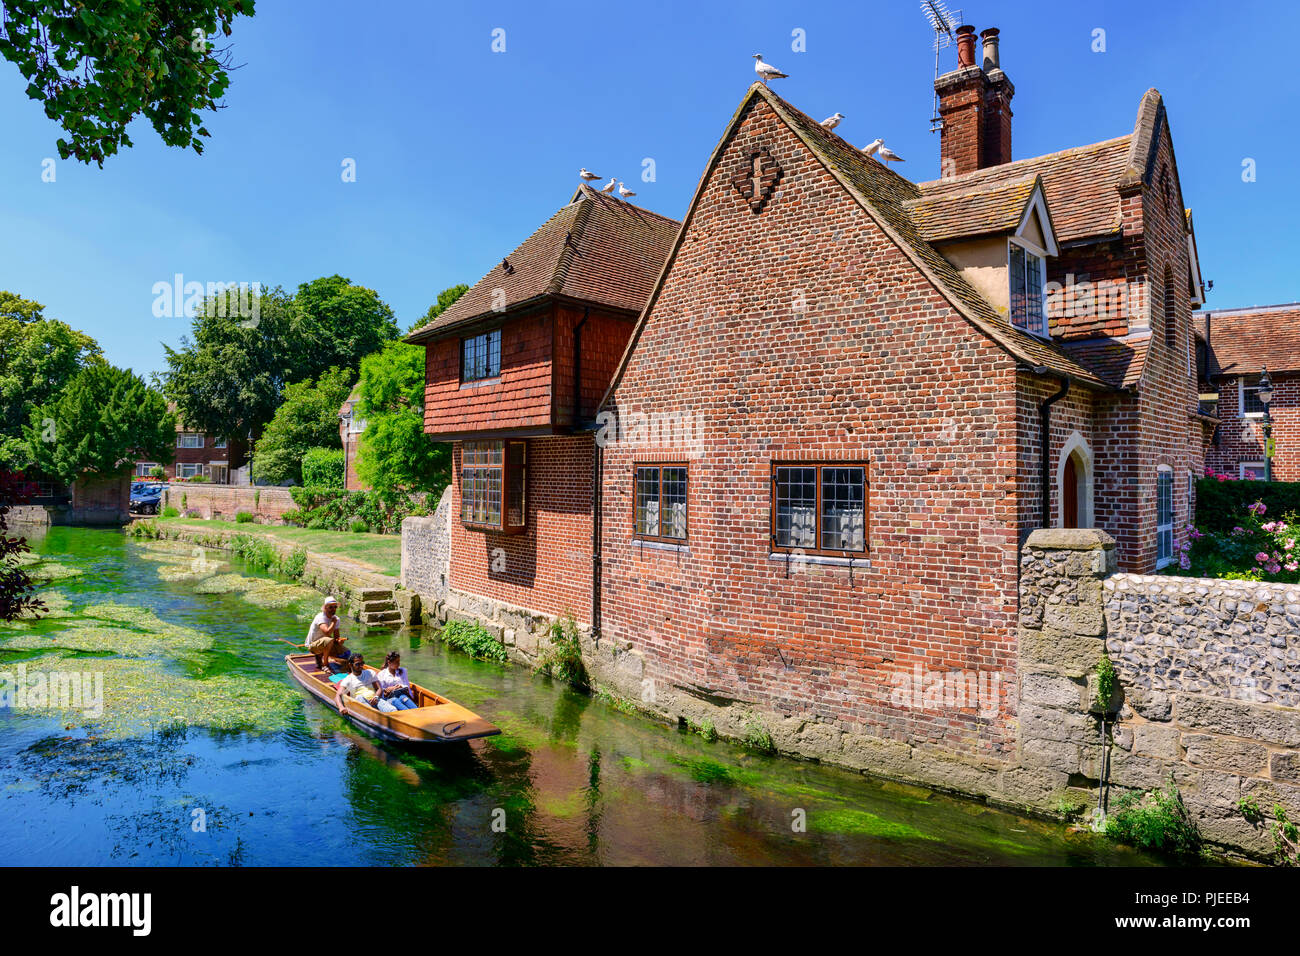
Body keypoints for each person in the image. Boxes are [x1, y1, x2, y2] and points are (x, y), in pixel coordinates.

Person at [306, 597, 349, 672]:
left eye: (335, 607)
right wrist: (333, 622)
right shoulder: (321, 617)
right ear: (325, 608)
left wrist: (339, 641)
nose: (333, 609)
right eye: (330, 607)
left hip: (326, 643)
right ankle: (325, 664)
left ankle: (323, 657)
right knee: (329, 640)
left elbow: (336, 638)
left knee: (346, 652)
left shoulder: (336, 619)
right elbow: (327, 632)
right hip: (313, 645)